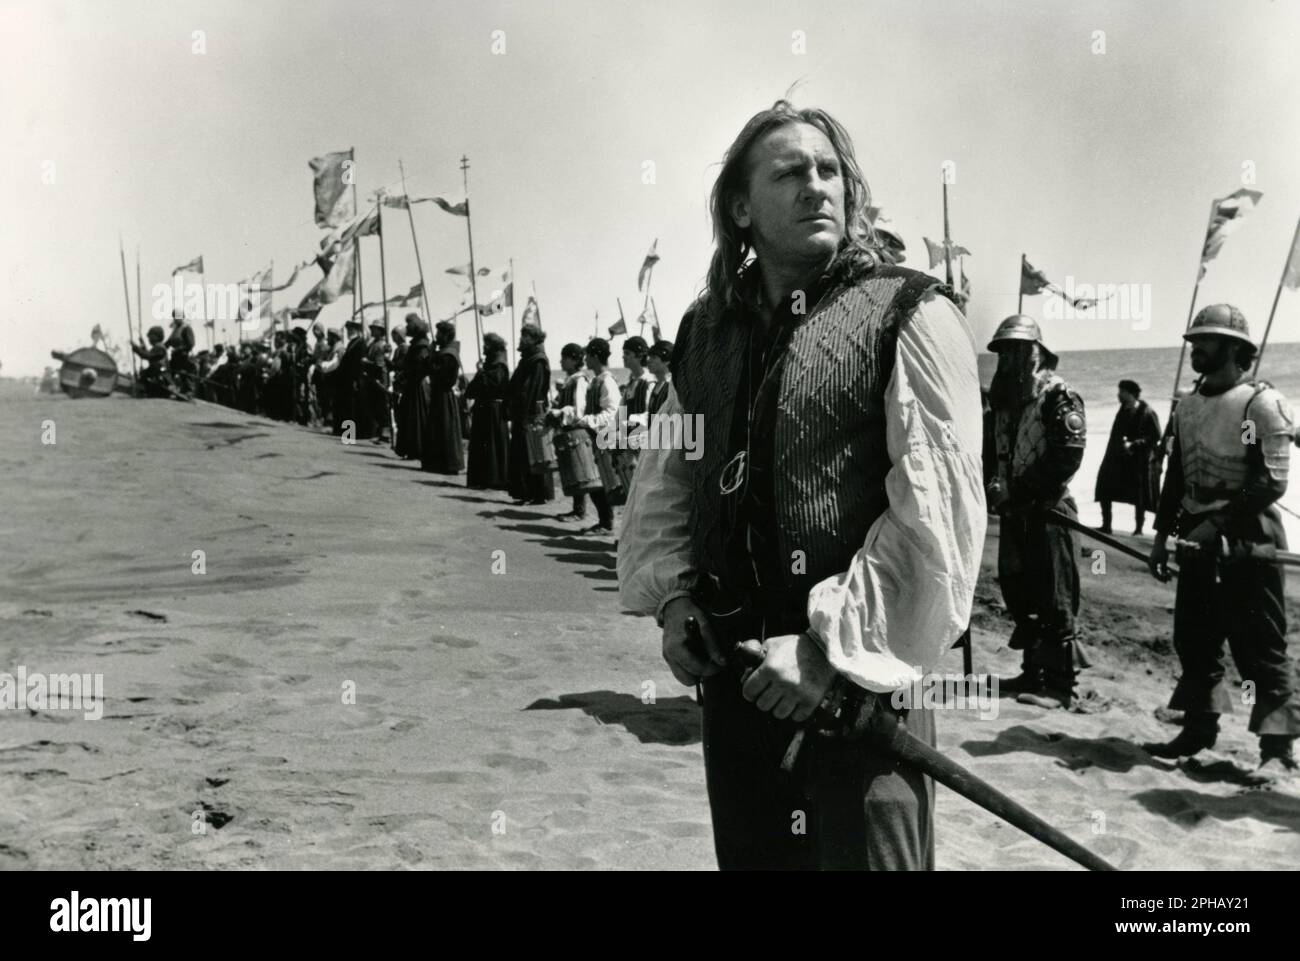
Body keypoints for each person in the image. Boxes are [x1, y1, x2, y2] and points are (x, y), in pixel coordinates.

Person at [617, 100, 985, 870]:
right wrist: (676, 596)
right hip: (739, 681)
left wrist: (827, 652)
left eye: (828, 171)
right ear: (741, 208)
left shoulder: (909, 311)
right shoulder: (707, 333)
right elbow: (669, 479)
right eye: (789, 173)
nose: (816, 187)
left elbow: (938, 522)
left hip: (863, 683)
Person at [1146, 305, 1300, 779]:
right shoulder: (1187, 406)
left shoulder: (1260, 404)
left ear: (1236, 349)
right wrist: (1161, 536)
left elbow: (1271, 480)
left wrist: (1219, 524)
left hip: (1248, 536)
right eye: (1194, 341)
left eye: (1206, 342)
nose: (1195, 348)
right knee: (1195, 637)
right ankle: (1198, 728)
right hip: (1195, 534)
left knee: (1259, 644)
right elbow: (1177, 479)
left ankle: (1277, 750)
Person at [986, 315, 1089, 710]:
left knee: (1055, 596)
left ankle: (1061, 686)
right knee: (1021, 591)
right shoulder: (1006, 403)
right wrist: (996, 486)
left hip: (1048, 510)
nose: (1012, 357)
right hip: (1016, 512)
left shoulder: (1058, 396)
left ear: (1038, 352)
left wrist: (1023, 490)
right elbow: (995, 453)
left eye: (1019, 349)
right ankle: (1032, 672)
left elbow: (1067, 455)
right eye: (1005, 350)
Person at [561, 338, 620, 534]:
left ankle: (607, 523)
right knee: (597, 483)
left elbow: (611, 413)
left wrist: (587, 421)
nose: (585, 359)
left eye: (588, 355)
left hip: (604, 436)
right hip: (595, 437)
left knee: (603, 484)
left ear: (595, 356)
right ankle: (604, 522)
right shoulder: (596, 381)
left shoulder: (607, 381)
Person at [1095, 379, 1162, 535]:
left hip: (1137, 459)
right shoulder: (1123, 409)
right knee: (1105, 485)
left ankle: (1138, 529)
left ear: (1130, 393)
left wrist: (1134, 444)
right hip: (1117, 457)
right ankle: (1106, 525)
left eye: (1121, 392)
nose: (1119, 395)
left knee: (1138, 494)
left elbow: (1155, 436)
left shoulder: (1147, 412)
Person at [506, 324, 555, 505]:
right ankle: (527, 493)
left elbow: (531, 390)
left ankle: (537, 494)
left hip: (531, 414)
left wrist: (524, 413)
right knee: (523, 455)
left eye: (525, 336)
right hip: (523, 414)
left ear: (534, 339)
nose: (521, 339)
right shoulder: (528, 359)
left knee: (534, 454)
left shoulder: (538, 361)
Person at [550, 343, 592, 521]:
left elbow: (579, 409)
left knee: (582, 473)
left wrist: (560, 413)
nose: (561, 361)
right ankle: (577, 509)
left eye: (564, 358)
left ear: (573, 359)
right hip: (569, 430)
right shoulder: (571, 380)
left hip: (578, 431)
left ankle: (581, 511)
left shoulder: (579, 381)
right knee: (574, 472)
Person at [466, 333, 512, 489]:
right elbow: (471, 390)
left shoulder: (499, 365)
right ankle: (485, 478)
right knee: (487, 444)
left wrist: (480, 372)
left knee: (492, 444)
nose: (484, 347)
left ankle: (494, 479)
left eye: (486, 344)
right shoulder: (493, 364)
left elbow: (492, 384)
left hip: (493, 410)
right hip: (486, 409)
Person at [422, 320, 465, 474]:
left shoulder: (449, 355)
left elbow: (441, 375)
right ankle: (438, 463)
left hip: (444, 395)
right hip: (439, 395)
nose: (437, 336)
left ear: (446, 335)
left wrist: (432, 356)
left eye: (440, 333)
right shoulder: (445, 352)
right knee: (439, 429)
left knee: (445, 429)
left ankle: (447, 464)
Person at [395, 314, 432, 461]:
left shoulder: (421, 344)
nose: (406, 327)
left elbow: (421, 366)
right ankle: (411, 449)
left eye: (408, 324)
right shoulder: (417, 343)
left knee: (415, 419)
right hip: (412, 384)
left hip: (417, 385)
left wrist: (407, 374)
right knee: (410, 418)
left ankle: (416, 450)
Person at [333, 318, 367, 437]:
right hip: (347, 380)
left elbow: (358, 365)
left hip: (354, 379)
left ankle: (351, 433)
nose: (348, 332)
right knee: (347, 407)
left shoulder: (360, 343)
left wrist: (355, 380)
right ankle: (346, 431)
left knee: (352, 408)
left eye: (351, 329)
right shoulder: (352, 343)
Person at [362, 319, 392, 443]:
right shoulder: (373, 343)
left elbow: (379, 365)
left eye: (375, 328)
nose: (372, 330)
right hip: (372, 378)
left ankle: (385, 434)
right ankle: (380, 433)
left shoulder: (381, 345)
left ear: (380, 331)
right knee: (375, 406)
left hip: (379, 379)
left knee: (381, 406)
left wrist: (366, 362)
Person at [132, 326, 171, 398]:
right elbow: (149, 354)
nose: (149, 339)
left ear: (156, 336)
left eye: (150, 336)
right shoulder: (158, 347)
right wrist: (142, 344)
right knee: (144, 373)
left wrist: (136, 348)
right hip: (158, 373)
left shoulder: (159, 347)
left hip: (161, 375)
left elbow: (147, 355)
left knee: (144, 374)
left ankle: (145, 391)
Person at [166, 309, 197, 394]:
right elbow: (169, 342)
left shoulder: (186, 328)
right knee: (170, 371)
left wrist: (179, 349)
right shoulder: (175, 329)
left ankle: (188, 391)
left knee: (185, 373)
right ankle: (169, 387)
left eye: (178, 317)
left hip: (184, 356)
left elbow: (191, 344)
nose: (176, 319)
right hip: (175, 356)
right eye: (175, 317)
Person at [645, 340, 675, 416]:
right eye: (649, 357)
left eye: (654, 357)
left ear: (666, 361)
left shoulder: (673, 388)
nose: (648, 360)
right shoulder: (656, 386)